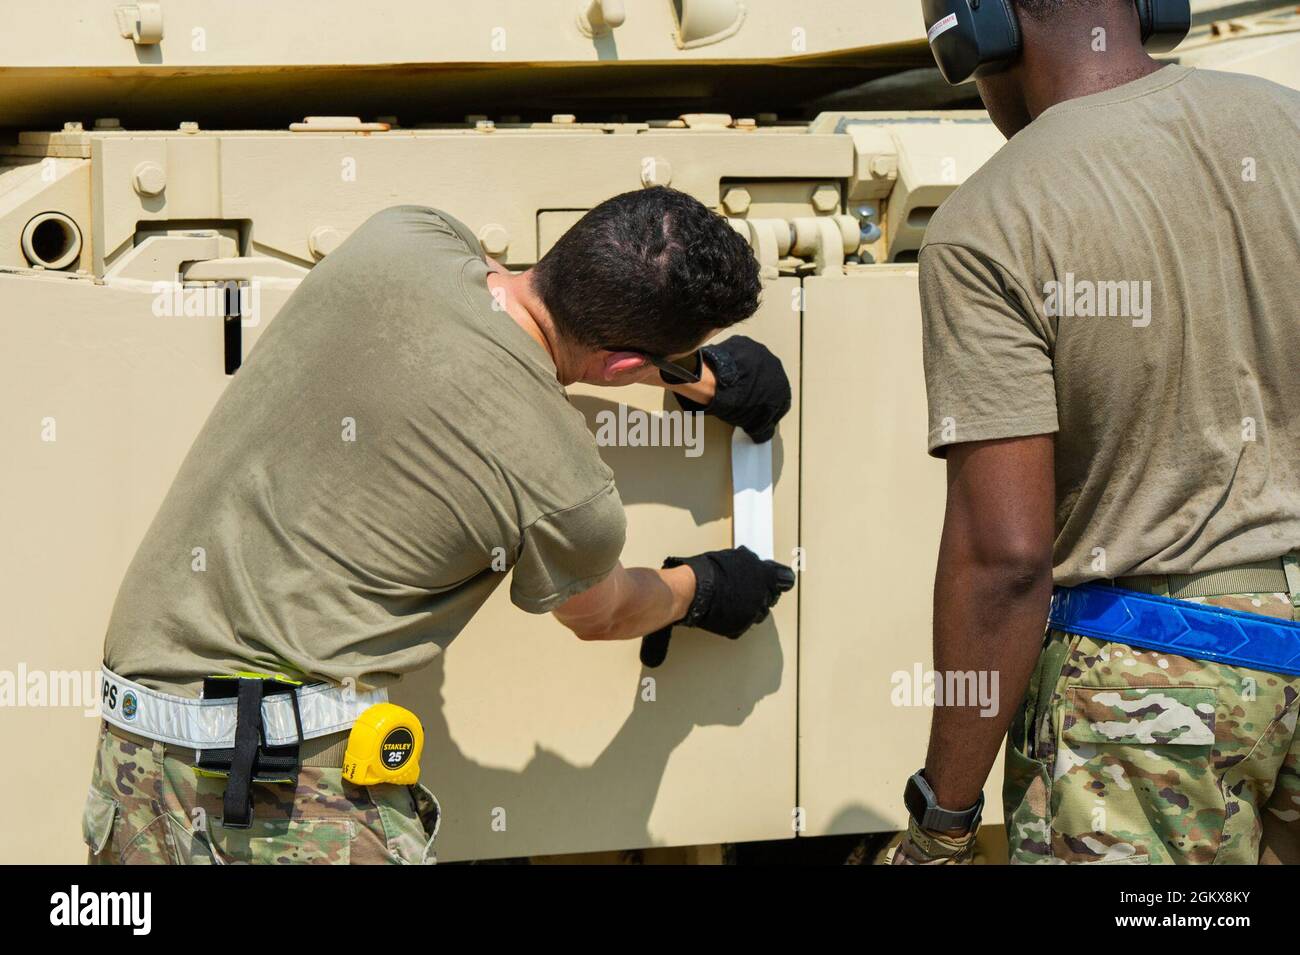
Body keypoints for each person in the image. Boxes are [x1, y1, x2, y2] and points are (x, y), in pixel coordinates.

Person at [86, 186, 795, 864]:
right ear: (627, 363)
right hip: (286, 803)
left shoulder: (405, 235)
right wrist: (702, 585)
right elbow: (604, 613)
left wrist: (700, 376)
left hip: (134, 752)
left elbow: (514, 313)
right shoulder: (569, 492)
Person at [896, 0, 1300, 863]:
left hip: (1153, 695)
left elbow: (1005, 559)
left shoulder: (991, 220)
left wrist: (944, 817)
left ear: (974, 30)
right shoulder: (1289, 123)